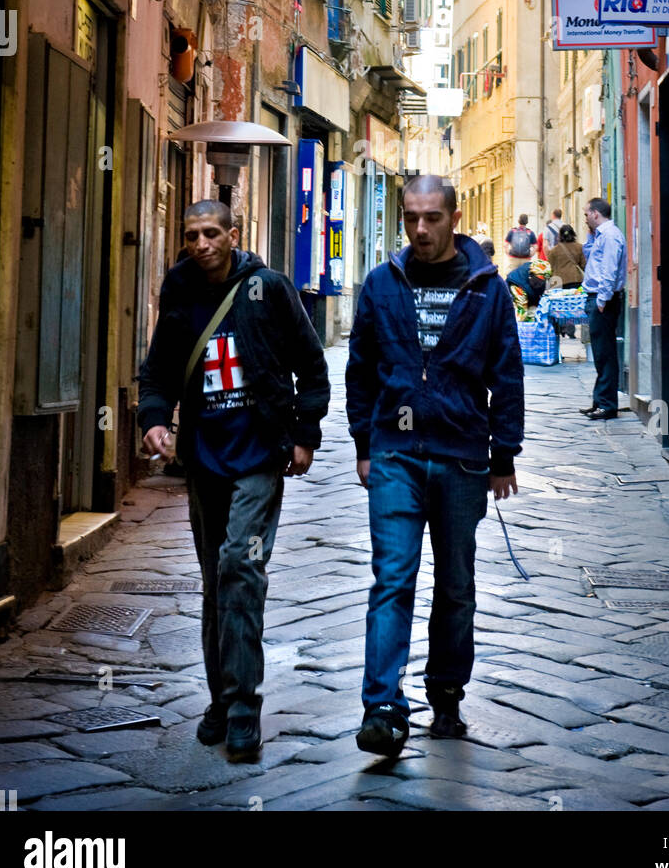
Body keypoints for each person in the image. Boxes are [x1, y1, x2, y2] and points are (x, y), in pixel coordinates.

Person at [138, 201, 330, 763]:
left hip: (258, 457)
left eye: (211, 233)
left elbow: (311, 365)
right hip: (204, 459)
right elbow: (160, 368)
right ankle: (221, 703)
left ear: (233, 235)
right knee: (213, 581)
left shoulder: (267, 288)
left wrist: (304, 434)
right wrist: (153, 418)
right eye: (191, 234)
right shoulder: (178, 290)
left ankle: (244, 711)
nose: (200, 244)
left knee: (239, 569)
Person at [346, 174, 524, 757]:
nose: (420, 230)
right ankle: (382, 707)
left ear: (454, 218)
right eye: (411, 218)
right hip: (395, 455)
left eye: (432, 218)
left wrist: (504, 456)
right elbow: (360, 369)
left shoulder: (487, 289)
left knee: (455, 585)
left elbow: (507, 376)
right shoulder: (380, 283)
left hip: (462, 458)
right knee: (392, 578)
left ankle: (445, 694)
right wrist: (363, 444)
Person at [579, 198, 627, 421]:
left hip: (603, 300)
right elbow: (591, 257)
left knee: (605, 353)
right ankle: (600, 400)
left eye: (587, 213)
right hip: (599, 298)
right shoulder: (602, 235)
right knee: (600, 352)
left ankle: (607, 405)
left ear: (596, 214)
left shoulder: (609, 236)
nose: (585, 217)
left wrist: (602, 299)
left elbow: (608, 269)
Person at [547, 224, 586, 340]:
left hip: (559, 281)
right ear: (573, 234)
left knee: (561, 306)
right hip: (575, 279)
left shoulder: (554, 251)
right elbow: (584, 265)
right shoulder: (579, 248)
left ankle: (562, 327)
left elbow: (550, 267)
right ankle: (571, 328)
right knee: (573, 305)